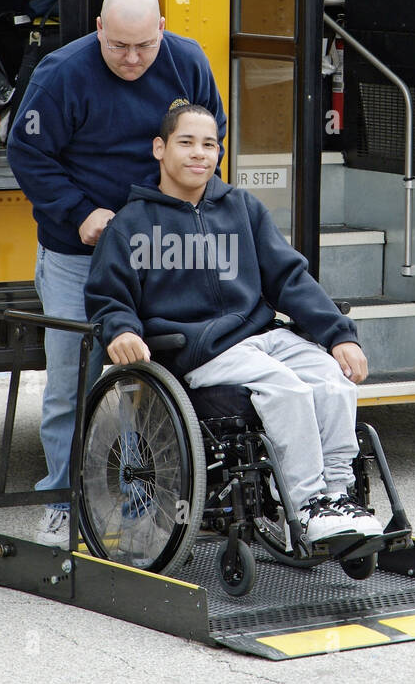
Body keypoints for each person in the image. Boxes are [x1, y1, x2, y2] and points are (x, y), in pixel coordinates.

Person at [84, 103, 382, 544]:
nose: (199, 153)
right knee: (288, 389)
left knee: (331, 378)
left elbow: (290, 278)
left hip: (262, 335)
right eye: (186, 143)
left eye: (210, 144)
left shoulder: (241, 207)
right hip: (201, 350)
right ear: (159, 149)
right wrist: (122, 330)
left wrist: (338, 335)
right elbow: (109, 297)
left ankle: (337, 498)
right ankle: (307, 504)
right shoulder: (131, 224)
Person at [7, 0, 226, 545]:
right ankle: (60, 500)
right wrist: (78, 212)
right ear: (99, 26)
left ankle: (139, 505)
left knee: (146, 377)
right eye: (119, 45)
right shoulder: (61, 74)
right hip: (77, 251)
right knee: (71, 381)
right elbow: (26, 152)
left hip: (157, 250)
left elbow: (207, 142)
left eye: (144, 47)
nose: (132, 59)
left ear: (163, 30)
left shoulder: (188, 62)